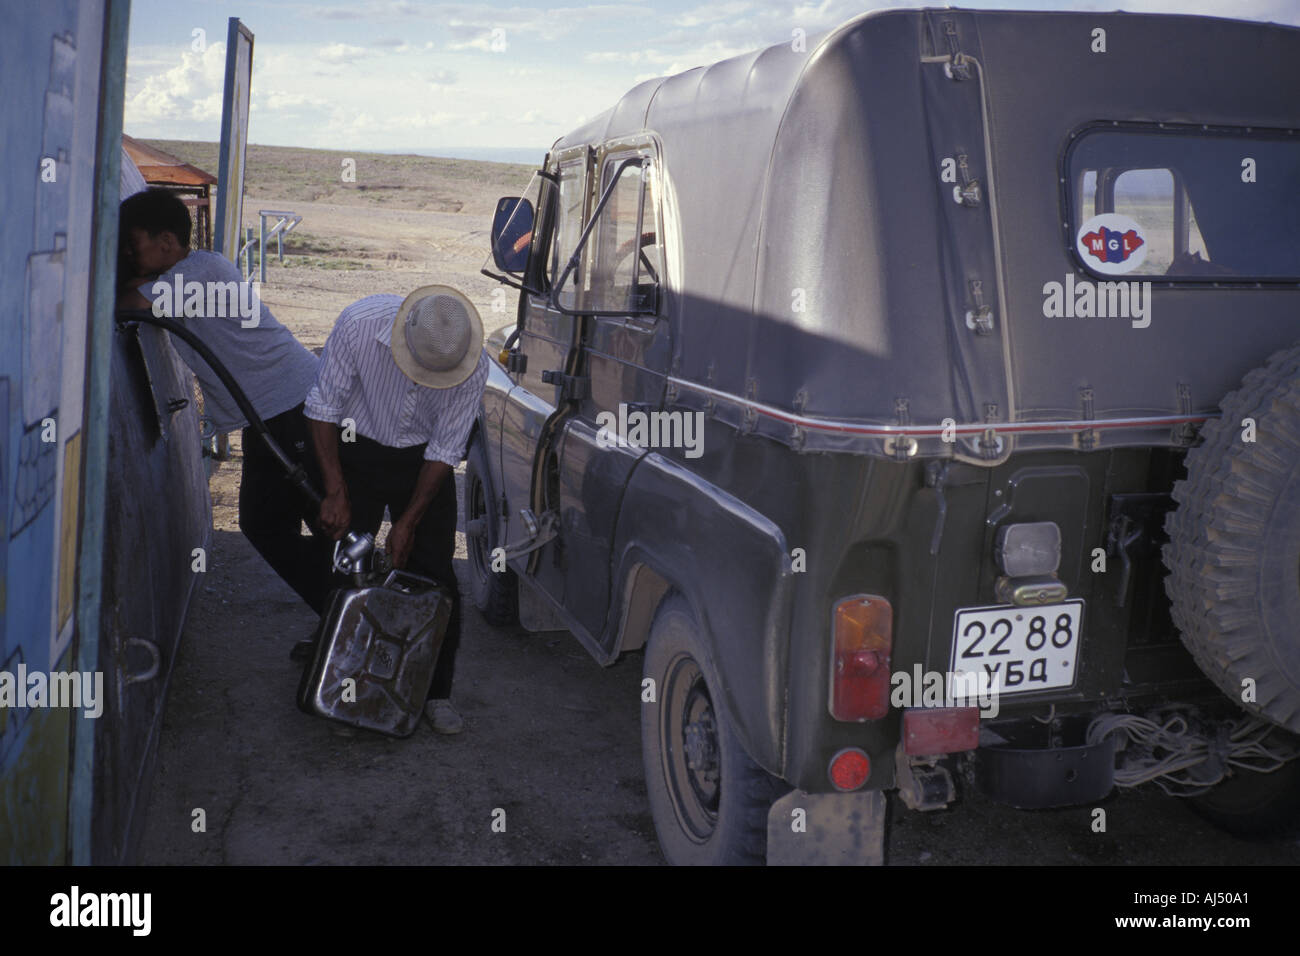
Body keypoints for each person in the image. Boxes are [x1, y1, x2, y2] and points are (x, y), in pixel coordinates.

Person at [117, 188, 335, 621]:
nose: (126, 251)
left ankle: (353, 622)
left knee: (294, 523)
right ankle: (346, 619)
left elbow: (125, 306)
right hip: (274, 412)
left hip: (292, 409)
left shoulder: (201, 270)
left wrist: (119, 277)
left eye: (132, 242)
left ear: (165, 241)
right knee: (288, 523)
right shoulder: (190, 274)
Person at [301, 287, 488, 735]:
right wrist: (335, 491)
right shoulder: (359, 324)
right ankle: (342, 682)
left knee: (434, 574)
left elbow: (445, 448)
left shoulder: (472, 362)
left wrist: (407, 522)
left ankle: (434, 693)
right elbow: (323, 408)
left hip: (422, 462)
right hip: (354, 447)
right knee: (346, 563)